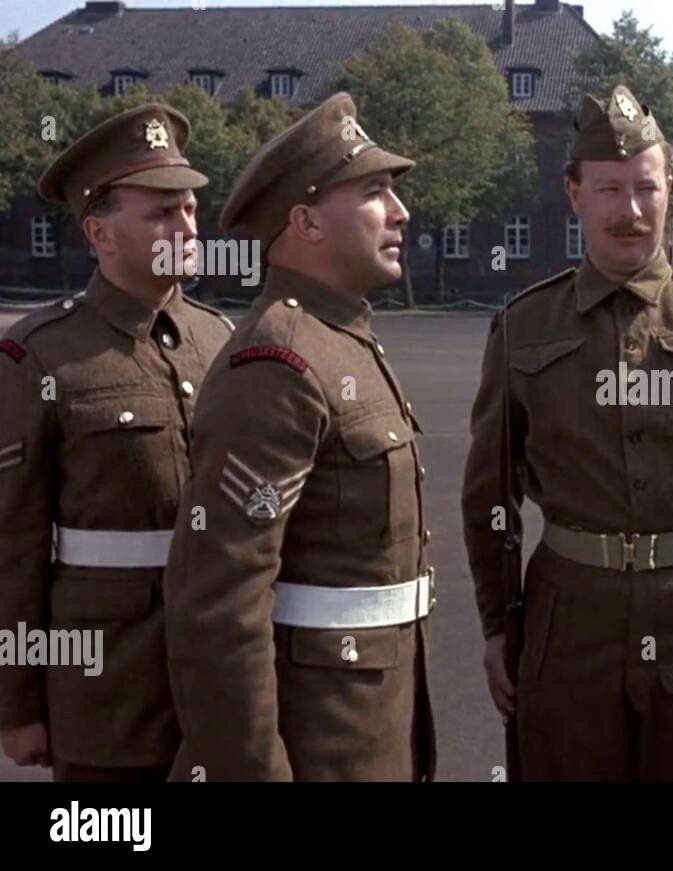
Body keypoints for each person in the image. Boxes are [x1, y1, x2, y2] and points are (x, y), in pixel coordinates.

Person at [462, 84, 673, 781]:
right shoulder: (525, 326)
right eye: (610, 190)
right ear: (574, 193)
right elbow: (489, 495)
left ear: (670, 190)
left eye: (646, 188)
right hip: (568, 628)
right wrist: (498, 626)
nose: (631, 211)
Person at [162, 93, 436, 781]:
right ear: (306, 220)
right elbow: (220, 606)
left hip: (373, 723)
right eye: (374, 192)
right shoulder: (277, 360)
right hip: (320, 744)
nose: (400, 212)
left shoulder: (339, 338)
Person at [0, 103, 229, 781]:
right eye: (160, 212)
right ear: (99, 230)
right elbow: (10, 545)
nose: (185, 226)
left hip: (222, 684)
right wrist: (17, 702)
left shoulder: (220, 341)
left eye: (188, 208)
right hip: (106, 690)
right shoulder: (39, 355)